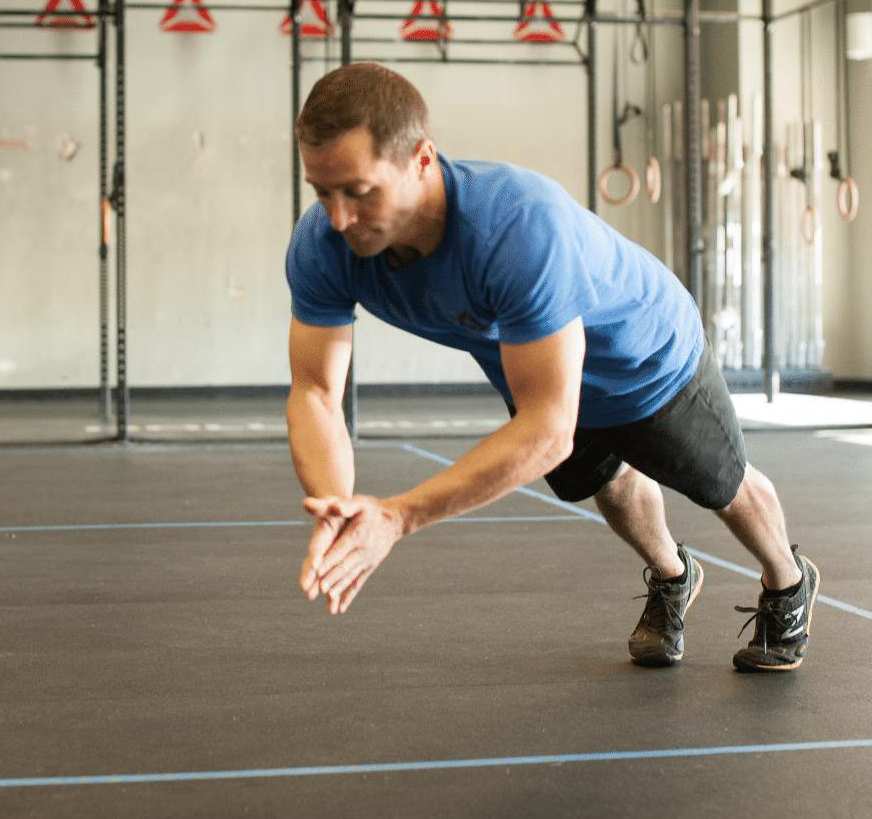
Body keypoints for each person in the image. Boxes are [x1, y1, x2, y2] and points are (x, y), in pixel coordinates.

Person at [284, 62, 819, 673]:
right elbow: (317, 392)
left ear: (422, 159)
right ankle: (674, 575)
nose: (337, 217)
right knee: (609, 484)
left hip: (644, 354)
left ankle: (787, 580)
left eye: (359, 191)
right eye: (322, 191)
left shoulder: (516, 224)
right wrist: (338, 507)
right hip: (542, 369)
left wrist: (399, 515)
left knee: (720, 485)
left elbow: (547, 429)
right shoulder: (324, 246)